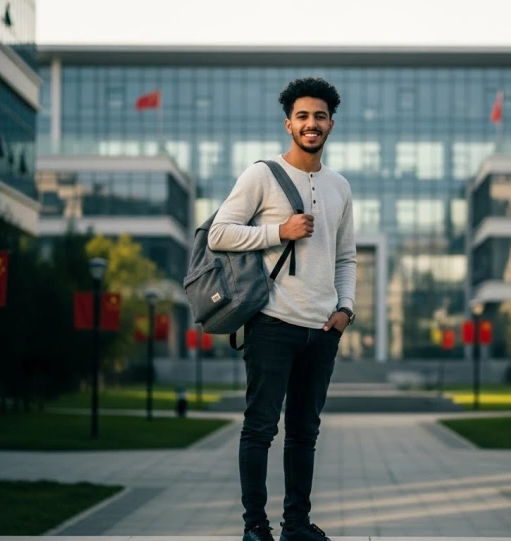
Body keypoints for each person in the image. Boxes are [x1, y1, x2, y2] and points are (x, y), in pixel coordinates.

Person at [207, 77, 356, 541]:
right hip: (272, 323)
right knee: (260, 430)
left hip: (321, 329)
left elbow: (346, 257)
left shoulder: (339, 187)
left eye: (320, 116)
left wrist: (345, 310)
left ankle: (296, 526)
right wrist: (278, 232)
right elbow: (219, 233)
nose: (312, 124)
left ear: (331, 123)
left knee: (304, 435)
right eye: (303, 116)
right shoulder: (261, 175)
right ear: (289, 123)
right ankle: (255, 528)